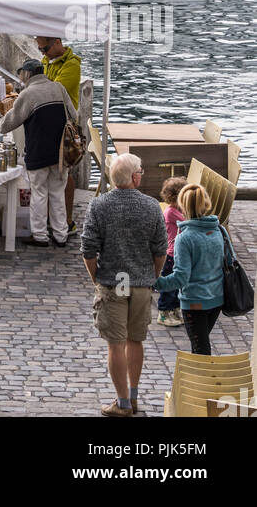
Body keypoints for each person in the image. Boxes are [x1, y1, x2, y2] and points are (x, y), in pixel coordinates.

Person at [81, 152, 168, 417]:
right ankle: (132, 396)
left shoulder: (99, 205)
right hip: (141, 283)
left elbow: (88, 249)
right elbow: (161, 249)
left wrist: (96, 278)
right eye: (141, 170)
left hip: (114, 282)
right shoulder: (153, 206)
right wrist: (151, 275)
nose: (142, 173)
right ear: (133, 177)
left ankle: (123, 403)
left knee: (115, 344)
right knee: (135, 340)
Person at [0, 58, 76, 247]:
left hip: (38, 151)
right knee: (57, 192)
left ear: (27, 74)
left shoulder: (27, 94)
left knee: (39, 193)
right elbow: (74, 115)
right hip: (60, 153)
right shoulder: (58, 88)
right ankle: (61, 235)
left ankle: (40, 236)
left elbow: (6, 125)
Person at [154, 183, 227, 355]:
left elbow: (180, 278)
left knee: (201, 350)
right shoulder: (219, 230)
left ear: (183, 205)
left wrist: (156, 282)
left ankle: (203, 381)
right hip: (217, 299)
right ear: (206, 203)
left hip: (194, 301)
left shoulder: (184, 238)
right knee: (200, 344)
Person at [37, 34, 82, 233]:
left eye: (44, 49)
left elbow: (54, 91)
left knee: (65, 172)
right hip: (47, 123)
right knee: (50, 171)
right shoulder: (47, 61)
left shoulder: (72, 65)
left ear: (57, 42)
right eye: (40, 50)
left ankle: (68, 220)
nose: (43, 54)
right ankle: (51, 218)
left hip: (64, 126)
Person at [156, 175, 186, 327]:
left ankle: (174, 309)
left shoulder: (178, 210)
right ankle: (163, 312)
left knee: (177, 285)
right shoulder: (172, 212)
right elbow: (187, 222)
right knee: (169, 286)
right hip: (171, 254)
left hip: (179, 253)